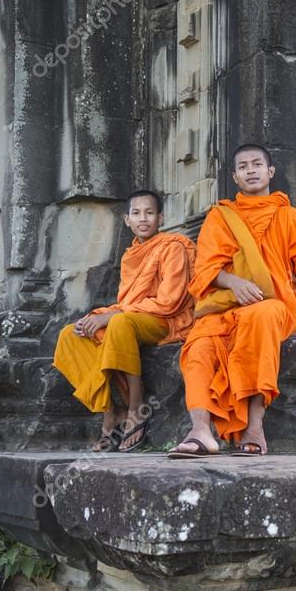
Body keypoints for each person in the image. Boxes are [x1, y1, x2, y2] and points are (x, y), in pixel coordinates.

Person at [169, 144, 296, 458]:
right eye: (243, 167)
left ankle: (254, 424)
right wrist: (233, 281)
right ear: (235, 177)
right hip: (226, 306)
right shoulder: (220, 217)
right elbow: (205, 269)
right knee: (199, 346)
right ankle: (201, 430)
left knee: (259, 318)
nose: (251, 170)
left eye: (257, 164)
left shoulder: (291, 217)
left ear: (270, 172)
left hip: (274, 305)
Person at [53, 190, 196, 452]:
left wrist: (113, 315)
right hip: (134, 317)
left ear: (160, 218)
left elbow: (169, 302)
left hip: (167, 320)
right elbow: (128, 302)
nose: (143, 219)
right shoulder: (131, 254)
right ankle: (112, 411)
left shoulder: (173, 246)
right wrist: (102, 316)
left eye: (150, 213)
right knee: (71, 334)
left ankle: (136, 408)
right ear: (126, 220)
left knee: (119, 324)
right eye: (137, 213)